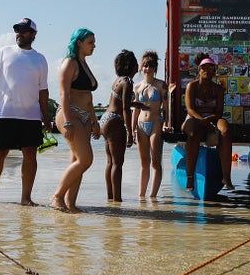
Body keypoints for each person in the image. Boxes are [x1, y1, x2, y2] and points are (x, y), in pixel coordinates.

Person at [0, 18, 52, 206]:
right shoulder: (3, 52)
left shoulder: (40, 59)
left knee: (30, 155)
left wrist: (46, 118)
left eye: (23, 30)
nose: (19, 34)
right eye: (17, 30)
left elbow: (43, 91)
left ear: (33, 34)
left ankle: (26, 198)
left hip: (31, 116)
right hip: (4, 113)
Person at [50, 29, 100, 212]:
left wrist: (94, 121)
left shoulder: (84, 63)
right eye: (90, 42)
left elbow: (88, 97)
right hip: (70, 114)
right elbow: (64, 94)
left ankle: (70, 204)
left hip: (85, 117)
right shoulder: (69, 63)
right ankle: (57, 196)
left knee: (77, 161)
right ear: (79, 43)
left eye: (94, 42)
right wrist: (68, 121)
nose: (94, 45)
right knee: (86, 160)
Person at [182, 55, 234, 194]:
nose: (207, 70)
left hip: (212, 117)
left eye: (211, 68)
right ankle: (190, 177)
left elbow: (219, 112)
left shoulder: (218, 89)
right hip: (194, 117)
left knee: (225, 131)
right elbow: (190, 109)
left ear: (214, 71)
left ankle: (226, 176)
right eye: (204, 68)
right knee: (193, 134)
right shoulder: (192, 86)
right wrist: (202, 121)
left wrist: (210, 119)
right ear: (199, 70)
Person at [100, 49, 138, 202]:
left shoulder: (118, 80)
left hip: (105, 119)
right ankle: (118, 200)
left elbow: (119, 102)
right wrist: (130, 132)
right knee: (118, 163)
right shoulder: (127, 82)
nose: (138, 66)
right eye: (136, 63)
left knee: (110, 162)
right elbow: (125, 109)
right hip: (115, 120)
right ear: (131, 66)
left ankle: (110, 198)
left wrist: (137, 104)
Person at [134, 50, 170, 199]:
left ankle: (152, 196)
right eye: (145, 66)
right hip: (141, 124)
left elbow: (166, 108)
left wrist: (166, 122)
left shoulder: (161, 85)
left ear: (155, 68)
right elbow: (136, 110)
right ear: (141, 67)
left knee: (155, 162)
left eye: (150, 66)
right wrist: (132, 129)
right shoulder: (137, 86)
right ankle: (141, 196)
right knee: (144, 163)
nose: (147, 68)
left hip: (155, 123)